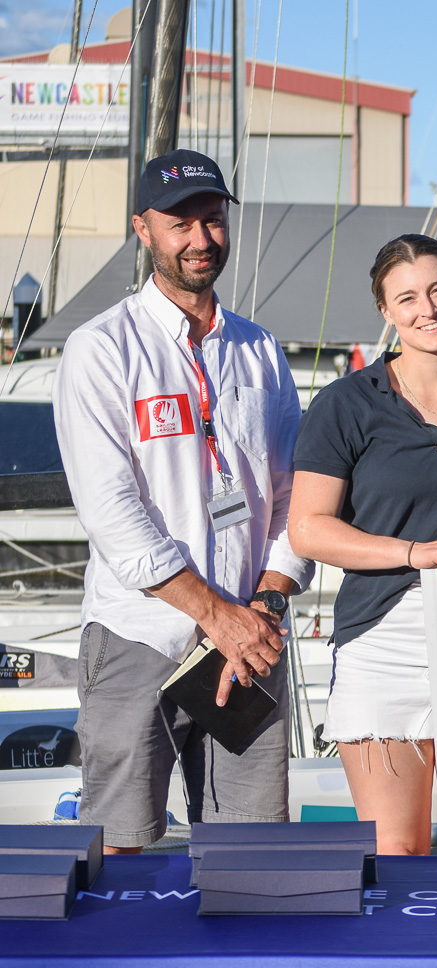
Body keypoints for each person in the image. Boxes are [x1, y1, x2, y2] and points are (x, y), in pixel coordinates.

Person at [53, 149, 312, 853]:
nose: (201, 239)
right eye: (180, 223)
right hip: (142, 633)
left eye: (213, 219)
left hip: (249, 640)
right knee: (118, 843)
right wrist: (216, 617)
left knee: (251, 853)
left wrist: (260, 609)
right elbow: (113, 515)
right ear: (143, 229)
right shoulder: (101, 349)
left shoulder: (259, 350)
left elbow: (295, 495)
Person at [288, 234, 437, 854]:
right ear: (386, 312)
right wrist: (413, 551)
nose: (429, 309)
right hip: (382, 643)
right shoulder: (345, 405)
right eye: (408, 298)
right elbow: (308, 528)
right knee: (400, 853)